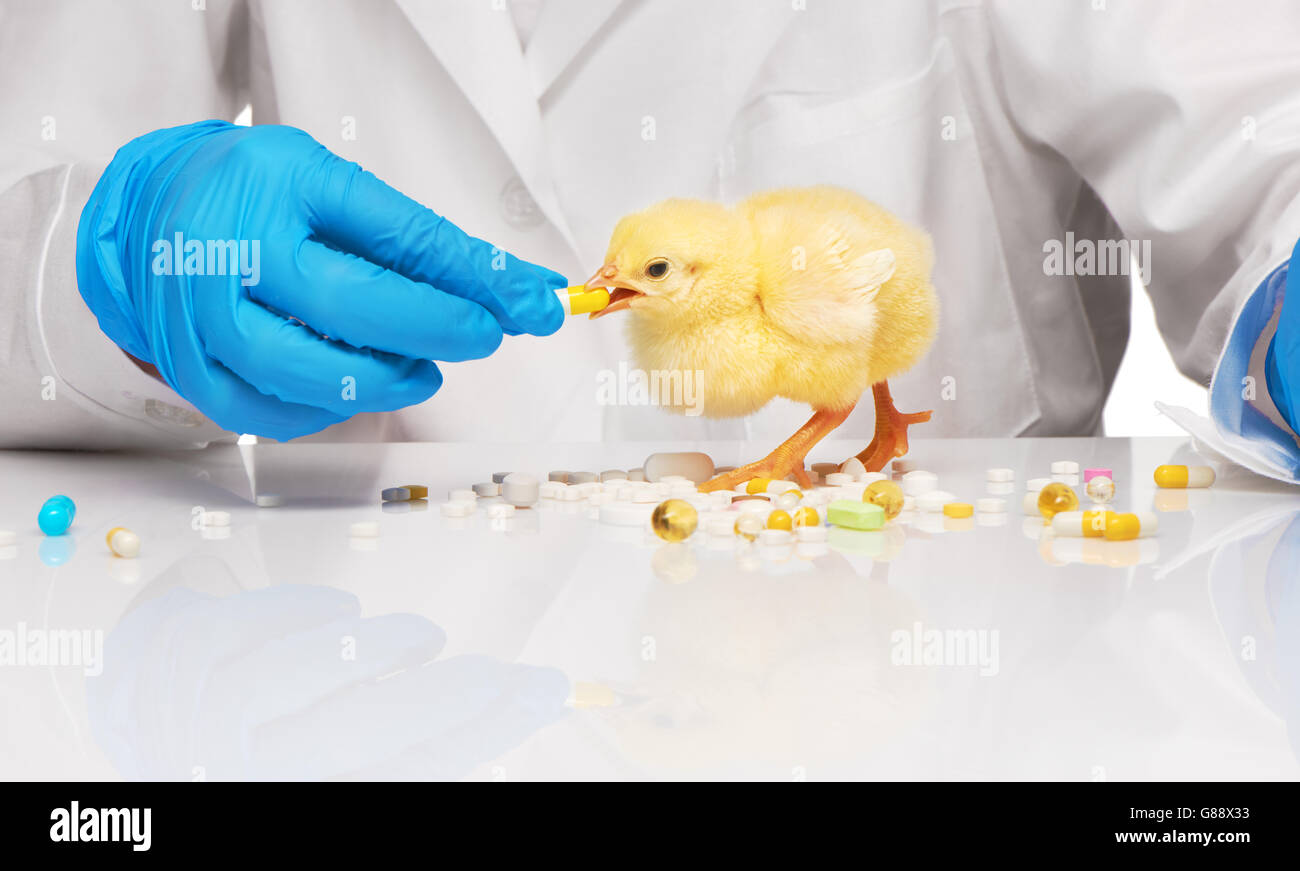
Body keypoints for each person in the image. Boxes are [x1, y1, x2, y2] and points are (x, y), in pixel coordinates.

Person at [2, 0, 1298, 482]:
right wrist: (106, 262)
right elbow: (26, 198)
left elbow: (1263, 138)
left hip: (937, 697)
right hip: (384, 673)